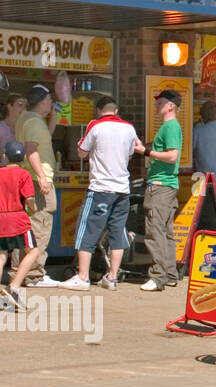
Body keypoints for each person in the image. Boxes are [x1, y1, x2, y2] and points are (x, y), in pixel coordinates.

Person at [59, 97, 145, 291]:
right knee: (117, 232)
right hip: (122, 190)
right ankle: (112, 277)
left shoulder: (95, 126)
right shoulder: (129, 128)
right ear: (116, 110)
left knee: (87, 230)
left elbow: (81, 152)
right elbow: (133, 151)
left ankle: (82, 277)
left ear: (99, 110)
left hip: (100, 189)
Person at [140, 89, 184, 292]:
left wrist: (147, 151)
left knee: (154, 230)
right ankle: (170, 274)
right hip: (166, 185)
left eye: (161, 103)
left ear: (171, 106)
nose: (157, 105)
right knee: (165, 232)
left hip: (160, 185)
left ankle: (158, 276)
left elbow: (173, 156)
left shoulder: (171, 127)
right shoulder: (170, 127)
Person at [16, 84, 58, 287]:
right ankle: (35, 273)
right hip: (38, 180)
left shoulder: (30, 119)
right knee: (40, 224)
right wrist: (41, 176)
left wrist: (53, 119)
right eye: (49, 100)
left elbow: (43, 139)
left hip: (32, 178)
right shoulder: (33, 121)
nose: (51, 103)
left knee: (30, 225)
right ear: (42, 101)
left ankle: (24, 271)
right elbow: (31, 150)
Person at [0, 140, 39, 311]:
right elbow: (29, 199)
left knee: (1, 255)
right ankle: (14, 287)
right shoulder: (24, 175)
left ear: (4, 156)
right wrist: (35, 208)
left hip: (1, 218)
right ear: (22, 157)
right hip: (18, 218)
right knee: (33, 251)